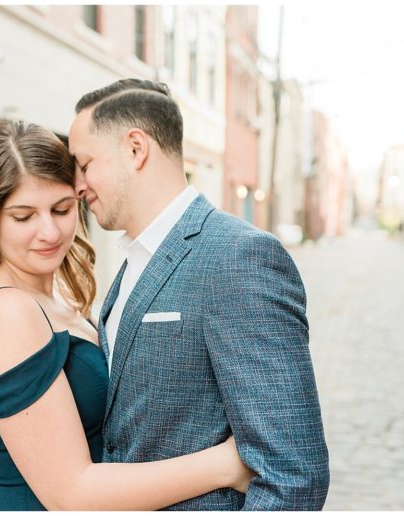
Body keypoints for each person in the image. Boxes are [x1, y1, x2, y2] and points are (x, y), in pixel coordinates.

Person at [0, 120, 254, 511]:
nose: (50, 232)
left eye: (61, 209)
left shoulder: (45, 296)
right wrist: (226, 464)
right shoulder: (6, 311)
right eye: (23, 217)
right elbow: (72, 494)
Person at [64, 79, 330, 510]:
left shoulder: (238, 256)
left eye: (85, 162)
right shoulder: (132, 260)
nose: (77, 184)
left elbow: (293, 473)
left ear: (135, 149)